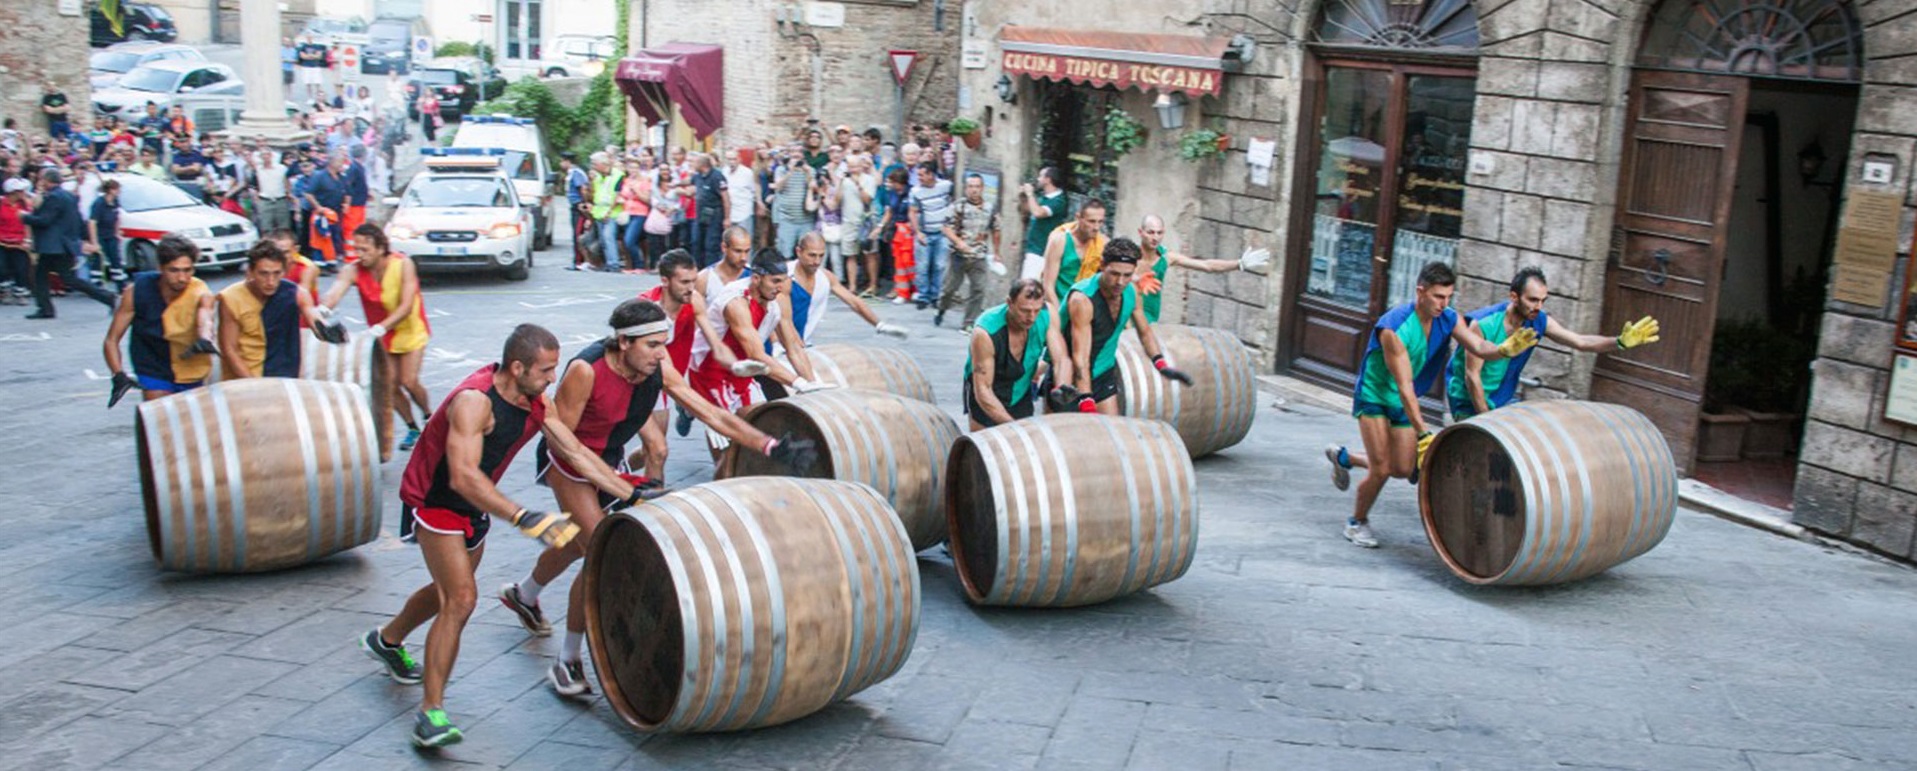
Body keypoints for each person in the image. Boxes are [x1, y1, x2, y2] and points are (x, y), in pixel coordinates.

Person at [497, 301, 817, 696]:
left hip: (608, 459)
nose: (662, 353)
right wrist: (620, 487)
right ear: (623, 342)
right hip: (570, 464)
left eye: (663, 343)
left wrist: (769, 444)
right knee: (599, 554)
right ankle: (567, 660)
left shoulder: (656, 368)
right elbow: (563, 442)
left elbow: (710, 413)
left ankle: (524, 594)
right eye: (652, 345)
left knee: (577, 542)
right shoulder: (586, 370)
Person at [357, 324, 650, 748]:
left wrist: (630, 493)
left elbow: (572, 450)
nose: (553, 378)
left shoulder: (535, 400)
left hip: (476, 506)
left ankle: (387, 640)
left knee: (445, 590)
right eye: (546, 370)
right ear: (517, 367)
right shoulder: (474, 403)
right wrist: (524, 516)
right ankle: (431, 714)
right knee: (461, 599)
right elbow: (462, 476)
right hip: (436, 502)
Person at [1323, 262, 1540, 548]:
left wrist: (1503, 349)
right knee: (1381, 469)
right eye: (1438, 296)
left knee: (1402, 468)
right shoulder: (1394, 328)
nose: (1444, 303)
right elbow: (1405, 387)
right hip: (1375, 396)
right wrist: (1423, 432)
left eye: (1449, 296)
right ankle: (1356, 522)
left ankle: (1344, 458)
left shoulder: (1448, 317)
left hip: (1402, 398)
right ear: (1420, 291)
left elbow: (1478, 346)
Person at [1446, 267, 1662, 421]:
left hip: (1499, 398)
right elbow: (1472, 377)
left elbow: (1580, 342)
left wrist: (1619, 342)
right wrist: (1486, 421)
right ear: (1514, 297)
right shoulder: (1483, 324)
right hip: (1468, 400)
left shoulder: (1539, 321)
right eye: (1532, 300)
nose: (1538, 306)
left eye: (1543, 300)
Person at [689, 249, 824, 455]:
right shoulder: (736, 302)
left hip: (743, 369)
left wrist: (812, 386)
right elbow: (757, 354)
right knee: (726, 443)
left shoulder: (778, 298)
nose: (780, 287)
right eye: (775, 281)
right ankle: (694, 411)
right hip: (710, 372)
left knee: (761, 425)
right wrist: (798, 383)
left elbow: (793, 348)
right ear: (756, 278)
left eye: (783, 281)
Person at [322, 224, 434, 450]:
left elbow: (406, 306)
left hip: (409, 329)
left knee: (408, 380)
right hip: (382, 334)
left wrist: (380, 328)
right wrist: (322, 310)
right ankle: (412, 427)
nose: (360, 255)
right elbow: (335, 292)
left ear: (381, 248)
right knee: (389, 385)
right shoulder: (353, 270)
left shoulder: (403, 264)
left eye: (365, 250)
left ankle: (429, 415)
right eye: (356, 249)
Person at [634, 250, 740, 474]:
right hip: (639, 381)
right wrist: (706, 413)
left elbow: (716, 344)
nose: (691, 287)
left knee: (653, 451)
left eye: (693, 280)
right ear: (665, 281)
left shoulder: (694, 300)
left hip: (666, 380)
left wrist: (737, 366)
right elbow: (663, 365)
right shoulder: (646, 308)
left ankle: (613, 471)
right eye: (684, 282)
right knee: (657, 450)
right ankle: (647, 494)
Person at [1061, 237, 1189, 416]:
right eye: (1114, 274)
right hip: (1071, 379)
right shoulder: (1082, 299)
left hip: (1103, 373)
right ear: (1102, 265)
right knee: (1069, 432)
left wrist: (1161, 364)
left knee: (1110, 430)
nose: (1120, 282)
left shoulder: (1131, 292)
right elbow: (1080, 357)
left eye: (1127, 275)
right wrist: (1086, 399)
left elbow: (1145, 332)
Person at [101, 235, 217, 403]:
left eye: (187, 270)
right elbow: (111, 340)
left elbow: (205, 315)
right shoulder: (137, 292)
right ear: (161, 268)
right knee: (158, 413)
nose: (182, 278)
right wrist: (118, 374)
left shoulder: (199, 291)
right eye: (174, 270)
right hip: (152, 365)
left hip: (189, 365)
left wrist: (204, 338)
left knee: (190, 416)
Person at [217, 241, 345, 379]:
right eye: (263, 274)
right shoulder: (231, 298)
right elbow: (229, 349)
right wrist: (252, 383)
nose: (270, 281)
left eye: (276, 273)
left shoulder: (296, 294)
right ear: (250, 272)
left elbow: (313, 316)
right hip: (243, 379)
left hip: (283, 375)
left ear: (284, 271)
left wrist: (326, 330)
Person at [964, 279, 1075, 430]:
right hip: (988, 388)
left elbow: (1061, 359)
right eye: (1025, 310)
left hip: (1020, 388)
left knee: (1023, 441)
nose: (1031, 317)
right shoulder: (985, 332)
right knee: (984, 440)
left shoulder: (1047, 314)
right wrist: (1014, 427)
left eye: (1036, 310)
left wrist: (1062, 386)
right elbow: (983, 390)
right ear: (1009, 303)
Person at [1130, 215, 1271, 323]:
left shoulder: (1167, 258)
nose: (1155, 237)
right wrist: (1135, 280)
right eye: (1151, 232)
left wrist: (1239, 264)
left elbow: (1207, 266)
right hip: (1125, 314)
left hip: (1149, 318)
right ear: (1141, 232)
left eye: (1159, 233)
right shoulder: (1128, 255)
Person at [782, 231, 907, 352]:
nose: (817, 261)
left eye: (821, 255)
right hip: (779, 345)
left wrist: (880, 325)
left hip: (803, 346)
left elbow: (854, 302)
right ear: (799, 252)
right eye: (812, 255)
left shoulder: (826, 277)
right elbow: (776, 314)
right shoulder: (782, 274)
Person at [24, 169, 118, 319]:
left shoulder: (53, 197)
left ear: (48, 181)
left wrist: (24, 217)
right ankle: (45, 308)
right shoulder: (69, 196)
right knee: (47, 275)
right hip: (64, 244)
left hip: (54, 246)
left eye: (43, 180)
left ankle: (106, 297)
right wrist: (86, 238)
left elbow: (44, 220)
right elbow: (78, 220)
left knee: (62, 278)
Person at [936, 173, 1004, 330]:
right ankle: (941, 309)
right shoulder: (958, 206)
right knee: (949, 289)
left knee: (978, 289)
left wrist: (997, 252)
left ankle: (969, 322)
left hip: (978, 255)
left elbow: (996, 230)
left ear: (982, 188)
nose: (974, 190)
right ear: (966, 188)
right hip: (958, 255)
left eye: (977, 186)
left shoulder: (990, 208)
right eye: (971, 186)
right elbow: (946, 228)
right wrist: (958, 242)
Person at [1041, 198, 1109, 311]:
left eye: (1100, 222)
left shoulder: (1102, 244)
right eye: (1091, 221)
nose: (1096, 227)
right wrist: (1059, 316)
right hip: (1057, 305)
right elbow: (1048, 286)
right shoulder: (1060, 241)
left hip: (1084, 308)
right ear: (1078, 217)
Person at [907, 162, 955, 310]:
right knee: (922, 266)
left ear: (931, 175)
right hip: (925, 232)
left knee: (940, 266)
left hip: (942, 233)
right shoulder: (915, 191)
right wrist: (918, 232)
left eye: (922, 175)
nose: (919, 178)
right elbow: (912, 212)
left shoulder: (946, 186)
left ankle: (936, 296)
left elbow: (953, 201)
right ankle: (923, 296)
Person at [1018, 167, 1068, 281]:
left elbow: (1038, 212)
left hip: (1041, 252)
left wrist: (1030, 194)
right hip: (1033, 249)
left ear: (1048, 179)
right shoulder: (1044, 198)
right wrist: (1023, 196)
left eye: (1040, 176)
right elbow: (1027, 210)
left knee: (1029, 285)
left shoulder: (1059, 201)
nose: (1038, 179)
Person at [302, 154, 350, 268]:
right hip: (323, 214)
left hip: (336, 214)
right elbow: (308, 194)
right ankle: (320, 264)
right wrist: (318, 207)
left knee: (334, 238)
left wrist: (346, 203)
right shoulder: (319, 176)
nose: (342, 165)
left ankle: (331, 263)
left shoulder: (341, 177)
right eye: (340, 162)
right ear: (332, 162)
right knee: (321, 238)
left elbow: (347, 192)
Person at [770, 146, 815, 259]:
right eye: (793, 151)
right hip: (787, 220)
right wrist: (790, 171)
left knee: (807, 254)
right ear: (789, 154)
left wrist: (807, 172)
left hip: (806, 220)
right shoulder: (781, 169)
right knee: (785, 255)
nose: (796, 154)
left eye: (799, 152)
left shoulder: (810, 170)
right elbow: (778, 187)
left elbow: (813, 188)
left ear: (803, 155)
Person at [689, 152, 730, 269]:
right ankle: (698, 269)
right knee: (696, 242)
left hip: (714, 214)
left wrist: (727, 218)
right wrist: (674, 184)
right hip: (701, 214)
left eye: (694, 162)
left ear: (702, 164)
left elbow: (726, 198)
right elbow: (690, 183)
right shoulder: (698, 176)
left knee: (711, 245)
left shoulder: (717, 176)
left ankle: (712, 270)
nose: (692, 165)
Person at [85, 179, 126, 284]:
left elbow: (117, 217)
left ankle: (120, 284)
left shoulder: (115, 201)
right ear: (110, 190)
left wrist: (117, 232)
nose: (119, 191)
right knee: (98, 260)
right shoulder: (99, 203)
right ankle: (96, 284)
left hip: (111, 235)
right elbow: (92, 223)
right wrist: (95, 243)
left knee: (115, 259)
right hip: (100, 236)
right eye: (117, 189)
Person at [0, 178, 33, 305]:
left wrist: (28, 240)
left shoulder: (25, 205)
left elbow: (28, 223)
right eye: (20, 191)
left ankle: (20, 293)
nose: (23, 193)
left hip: (19, 242)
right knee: (2, 267)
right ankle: (5, 291)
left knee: (21, 268)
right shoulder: (1, 204)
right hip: (2, 241)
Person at [252, 147, 291, 233]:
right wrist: (257, 199)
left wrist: (288, 193)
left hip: (280, 199)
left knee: (284, 227)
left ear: (271, 155)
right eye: (263, 155)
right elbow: (255, 186)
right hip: (265, 200)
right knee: (266, 228)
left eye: (267, 154)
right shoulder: (257, 170)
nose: (265, 157)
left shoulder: (282, 168)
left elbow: (287, 182)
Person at [723, 148, 758, 244]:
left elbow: (753, 190)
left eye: (734, 159)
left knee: (745, 240)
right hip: (730, 212)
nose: (731, 162)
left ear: (739, 159)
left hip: (744, 212)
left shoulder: (747, 173)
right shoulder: (724, 172)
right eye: (729, 159)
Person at [296, 36, 329, 101]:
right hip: (306, 67)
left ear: (312, 38)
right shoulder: (303, 47)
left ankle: (319, 98)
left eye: (310, 38)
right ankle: (310, 98)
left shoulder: (316, 46)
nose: (309, 39)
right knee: (308, 83)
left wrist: (311, 56)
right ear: (306, 39)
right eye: (308, 38)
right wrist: (311, 56)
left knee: (317, 83)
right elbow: (302, 56)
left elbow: (319, 56)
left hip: (315, 66)